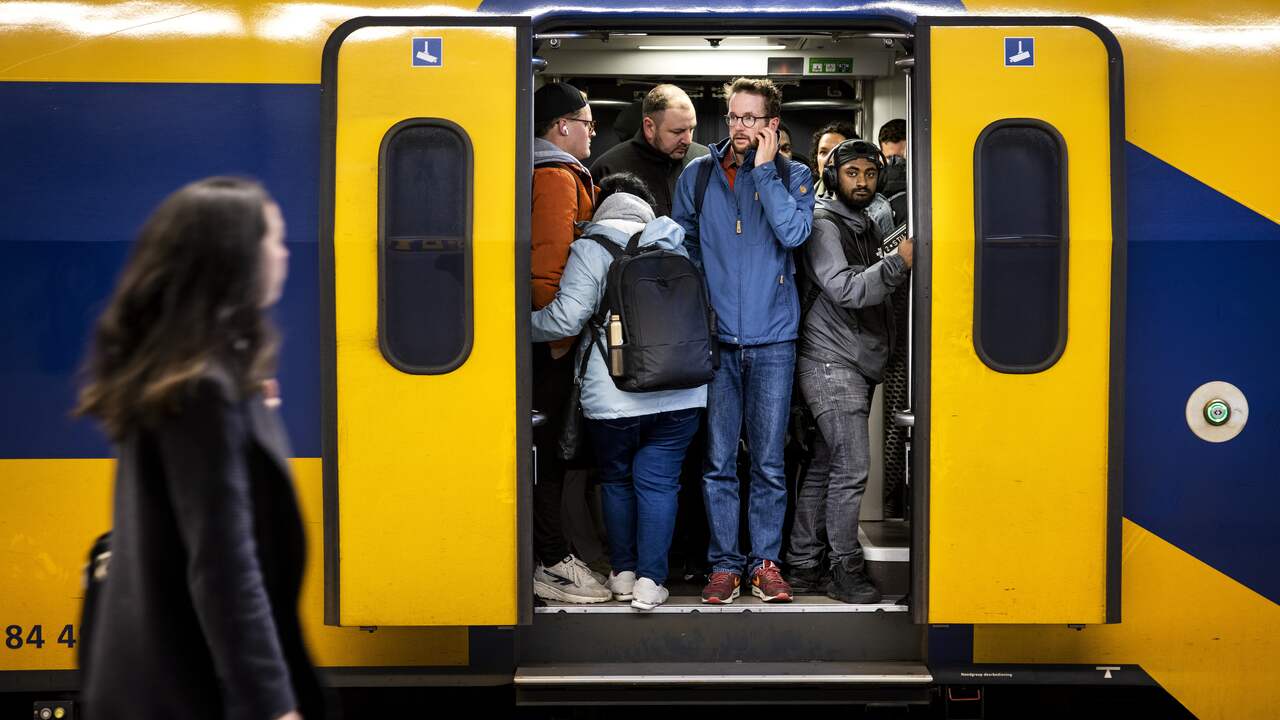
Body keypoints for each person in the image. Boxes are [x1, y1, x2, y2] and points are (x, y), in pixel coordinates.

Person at [75, 177, 323, 720]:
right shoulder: (202, 390)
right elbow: (224, 564)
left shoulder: (197, 375)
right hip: (194, 684)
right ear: (236, 257)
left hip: (178, 675)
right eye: (274, 241)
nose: (285, 255)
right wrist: (272, 705)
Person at [531, 173, 707, 611]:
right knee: (660, 484)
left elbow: (566, 321)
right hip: (682, 392)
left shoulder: (591, 249)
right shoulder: (674, 245)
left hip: (612, 396)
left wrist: (517, 324)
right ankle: (651, 583)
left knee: (616, 481)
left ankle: (623, 575)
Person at [673, 77, 815, 605]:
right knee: (717, 462)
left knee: (769, 462)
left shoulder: (795, 176)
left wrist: (764, 174)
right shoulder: (700, 174)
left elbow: (794, 235)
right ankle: (725, 566)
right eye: (734, 116)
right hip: (716, 342)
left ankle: (765, 563)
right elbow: (682, 240)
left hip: (774, 340)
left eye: (752, 118)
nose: (740, 126)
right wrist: (701, 298)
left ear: (772, 125)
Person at [784, 140, 913, 603]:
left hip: (854, 361)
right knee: (853, 466)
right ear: (833, 175)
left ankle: (801, 564)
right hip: (830, 362)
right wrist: (900, 263)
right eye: (852, 173)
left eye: (869, 174)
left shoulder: (867, 223)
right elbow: (845, 289)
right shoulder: (824, 225)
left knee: (826, 466)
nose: (861, 182)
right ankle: (844, 568)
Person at [530, 81, 612, 603]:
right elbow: (547, 271)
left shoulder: (558, 173)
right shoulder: (558, 178)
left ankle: (553, 552)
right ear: (562, 126)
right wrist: (559, 338)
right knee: (552, 454)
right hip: (551, 345)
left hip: (552, 340)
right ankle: (551, 559)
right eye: (586, 122)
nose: (592, 131)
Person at [590, 84, 709, 218]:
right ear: (649, 127)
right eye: (678, 131)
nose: (687, 140)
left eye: (691, 129)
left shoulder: (705, 162)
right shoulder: (608, 170)